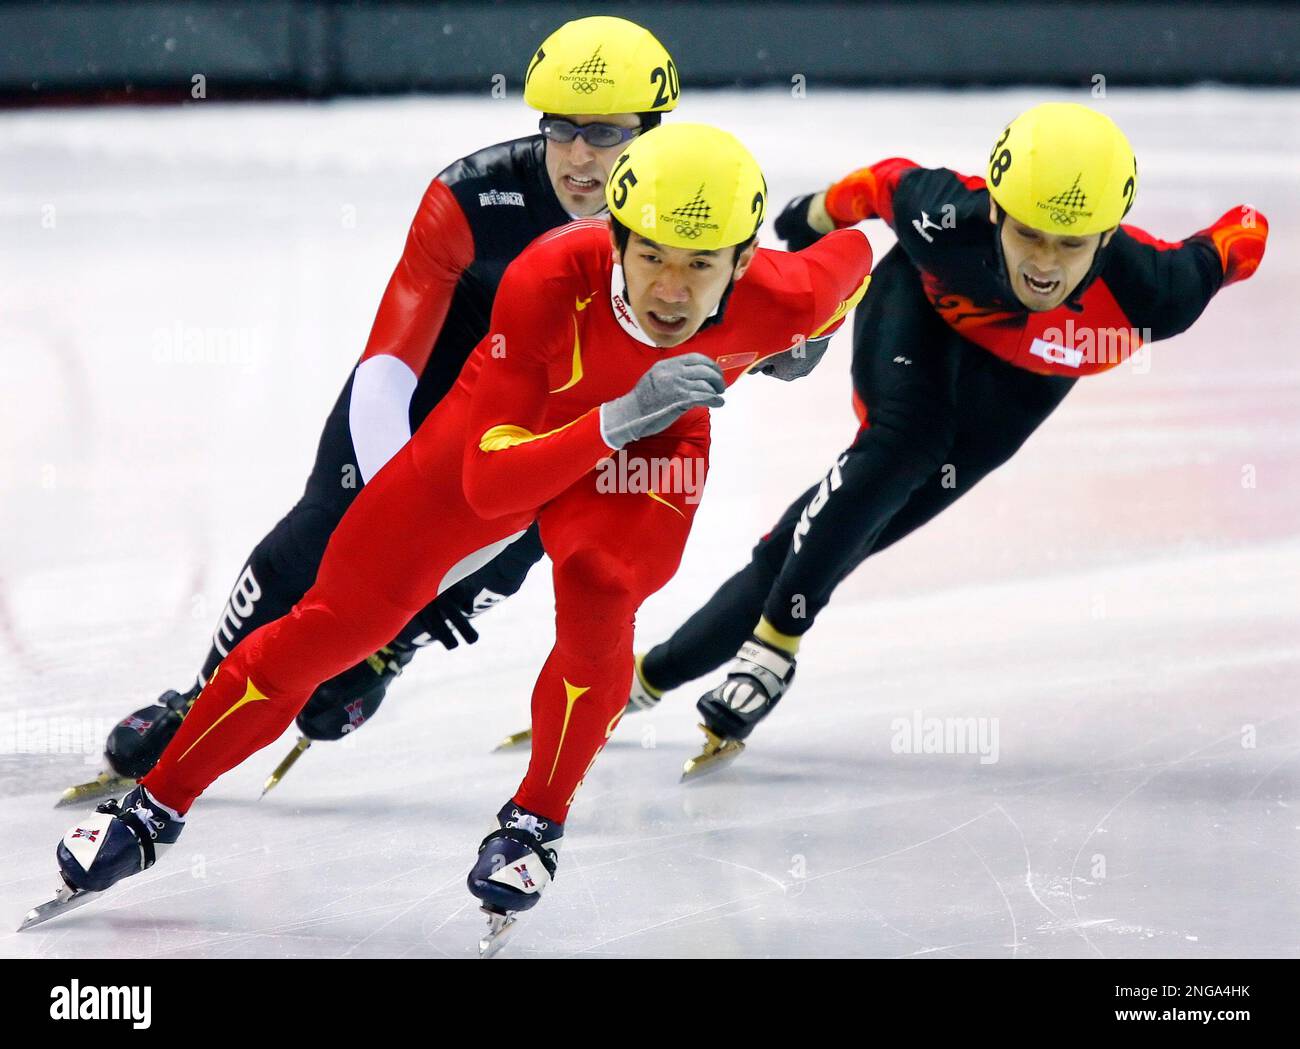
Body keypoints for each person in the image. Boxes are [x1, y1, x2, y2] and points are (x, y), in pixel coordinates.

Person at [38, 123, 875, 951]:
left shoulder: (788, 294)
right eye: (650, 254)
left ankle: (534, 823)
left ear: (741, 259)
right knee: (340, 621)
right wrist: (621, 414)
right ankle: (156, 804)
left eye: (701, 264)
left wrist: (809, 342)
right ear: (613, 237)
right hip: (513, 435)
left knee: (603, 587)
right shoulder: (549, 273)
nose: (670, 288)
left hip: (655, 447)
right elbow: (488, 481)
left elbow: (856, 259)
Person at [73, 15, 681, 804]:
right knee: (323, 528)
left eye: (603, 133)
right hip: (424, 401)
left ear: (655, 132)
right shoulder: (474, 196)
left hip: (554, 428)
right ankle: (201, 692)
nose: (576, 156)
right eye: (559, 129)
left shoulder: (686, 217)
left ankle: (392, 649)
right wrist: (400, 497)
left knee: (502, 564)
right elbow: (391, 358)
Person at [625, 102, 1269, 777]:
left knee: (849, 531)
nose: (1044, 264)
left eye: (1070, 242)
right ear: (995, 210)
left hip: (1020, 386)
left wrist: (1249, 232)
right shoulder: (944, 217)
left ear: (1108, 236)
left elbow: (1244, 232)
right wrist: (816, 213)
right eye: (1028, 233)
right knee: (906, 441)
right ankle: (775, 647)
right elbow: (882, 183)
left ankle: (649, 674)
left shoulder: (1160, 290)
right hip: (920, 320)